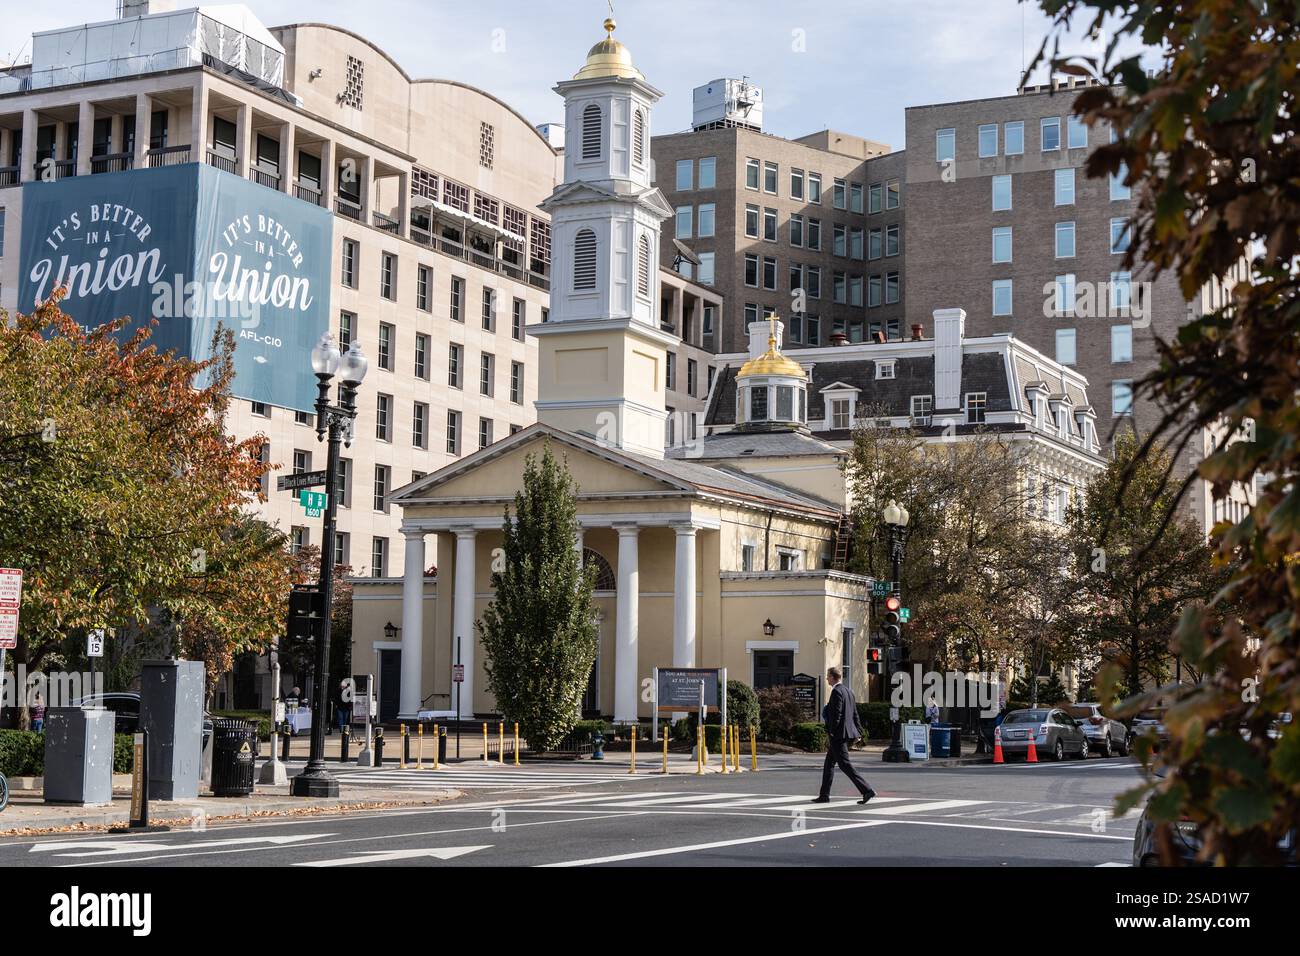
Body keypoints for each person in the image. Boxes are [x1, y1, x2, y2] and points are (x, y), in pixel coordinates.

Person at [812, 667, 875, 805]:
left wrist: (832, 731)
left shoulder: (836, 691)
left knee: (845, 765)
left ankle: (867, 790)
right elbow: (855, 714)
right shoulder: (848, 691)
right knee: (829, 764)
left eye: (828, 676)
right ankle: (824, 795)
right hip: (845, 733)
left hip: (839, 735)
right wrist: (859, 732)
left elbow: (837, 714)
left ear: (833, 677)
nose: (827, 679)